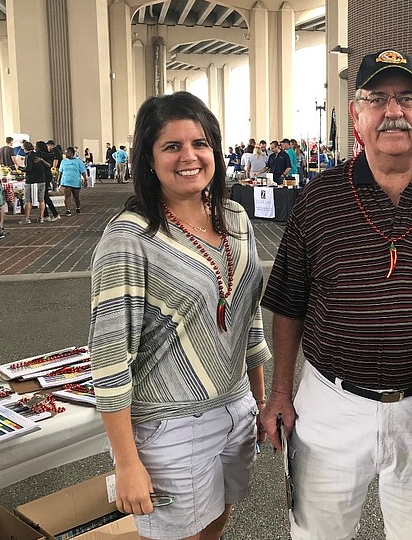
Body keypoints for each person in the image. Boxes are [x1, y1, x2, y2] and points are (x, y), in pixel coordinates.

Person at [261, 49, 412, 540]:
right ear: (356, 114)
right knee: (317, 534)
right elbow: (288, 303)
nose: (393, 111)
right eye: (377, 99)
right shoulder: (319, 198)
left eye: (407, 98)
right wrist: (280, 391)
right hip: (330, 404)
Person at [89, 91, 271, 540]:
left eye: (200, 143)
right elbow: (109, 358)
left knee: (216, 525)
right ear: (149, 160)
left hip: (236, 407)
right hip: (168, 424)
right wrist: (127, 463)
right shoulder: (130, 239)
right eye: (172, 146)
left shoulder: (234, 217)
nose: (189, 156)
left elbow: (248, 317)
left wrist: (259, 400)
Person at [20, 142, 48, 224]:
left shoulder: (28, 157)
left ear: (25, 148)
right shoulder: (38, 155)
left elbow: (28, 169)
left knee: (28, 200)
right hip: (41, 180)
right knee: (41, 199)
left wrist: (20, 168)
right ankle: (41, 218)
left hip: (31, 180)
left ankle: (27, 218)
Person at [59, 147, 88, 216]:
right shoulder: (63, 161)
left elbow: (83, 171)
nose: (66, 154)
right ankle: (68, 210)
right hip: (66, 181)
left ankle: (78, 207)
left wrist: (85, 179)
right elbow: (60, 172)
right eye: (65, 153)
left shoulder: (78, 161)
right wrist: (58, 181)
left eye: (68, 153)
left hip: (75, 181)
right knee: (67, 196)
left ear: (72, 153)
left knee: (76, 196)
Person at [37, 141, 61, 221]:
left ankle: (55, 214)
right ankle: (46, 215)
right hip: (45, 176)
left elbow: (49, 165)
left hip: (45, 177)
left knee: (45, 196)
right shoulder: (46, 154)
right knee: (43, 196)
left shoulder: (44, 155)